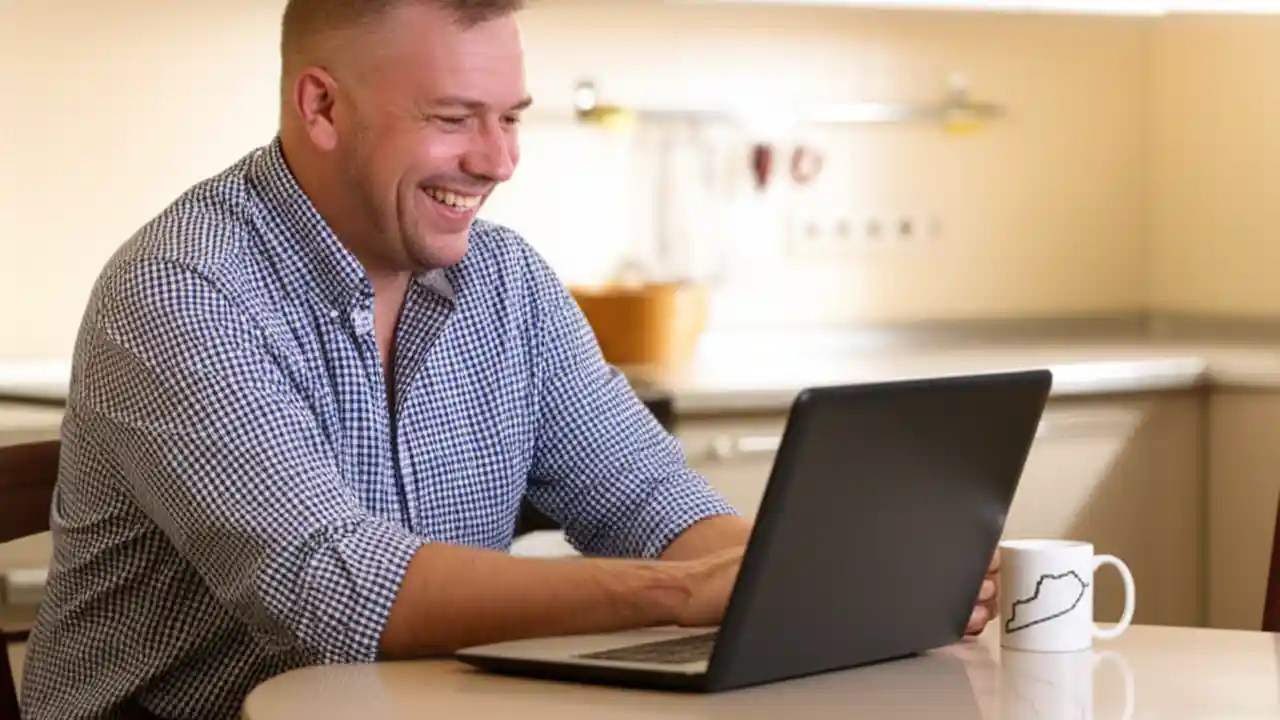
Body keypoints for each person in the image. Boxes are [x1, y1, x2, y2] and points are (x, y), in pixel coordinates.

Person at [19, 1, 999, 717]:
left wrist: (812, 579)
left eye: (510, 116)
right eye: (453, 118)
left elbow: (650, 502)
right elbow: (338, 592)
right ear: (321, 108)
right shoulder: (183, 290)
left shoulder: (509, 286)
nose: (498, 160)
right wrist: (675, 595)